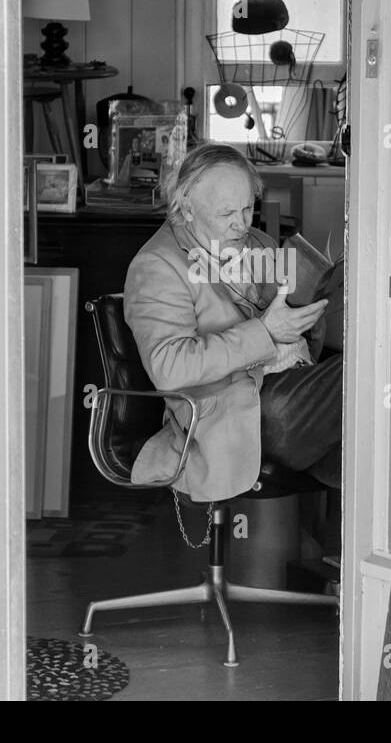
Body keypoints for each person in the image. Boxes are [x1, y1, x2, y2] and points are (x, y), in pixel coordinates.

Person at [123, 143, 342, 502]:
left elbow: (295, 330)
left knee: (377, 442)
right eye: (227, 213)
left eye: (247, 208)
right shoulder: (157, 266)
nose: (242, 224)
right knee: (380, 373)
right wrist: (266, 332)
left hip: (294, 393)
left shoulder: (261, 242)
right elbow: (169, 366)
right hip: (237, 413)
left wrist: (312, 310)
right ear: (187, 209)